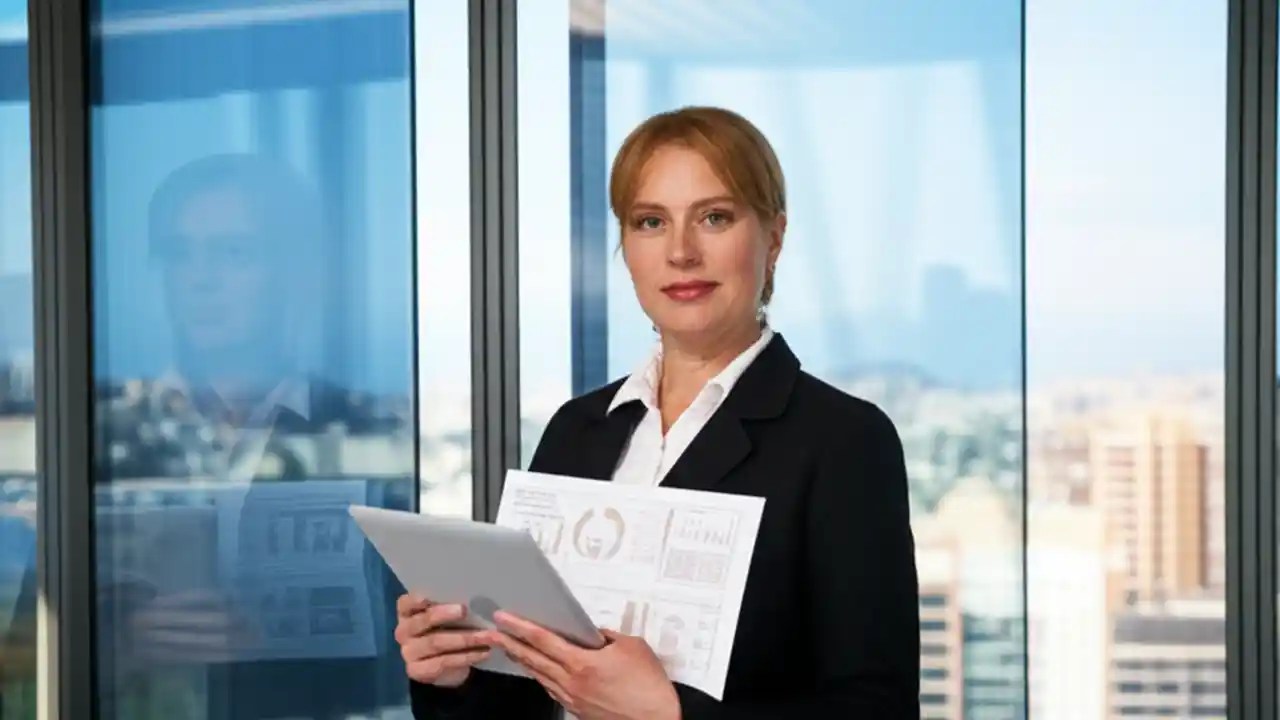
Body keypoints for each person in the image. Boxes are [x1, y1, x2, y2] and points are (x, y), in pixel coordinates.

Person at [397, 106, 920, 718]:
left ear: (773, 237)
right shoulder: (578, 429)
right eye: (650, 222)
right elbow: (521, 699)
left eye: (715, 218)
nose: (681, 252)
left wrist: (668, 715)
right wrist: (454, 673)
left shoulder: (844, 441)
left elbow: (877, 708)